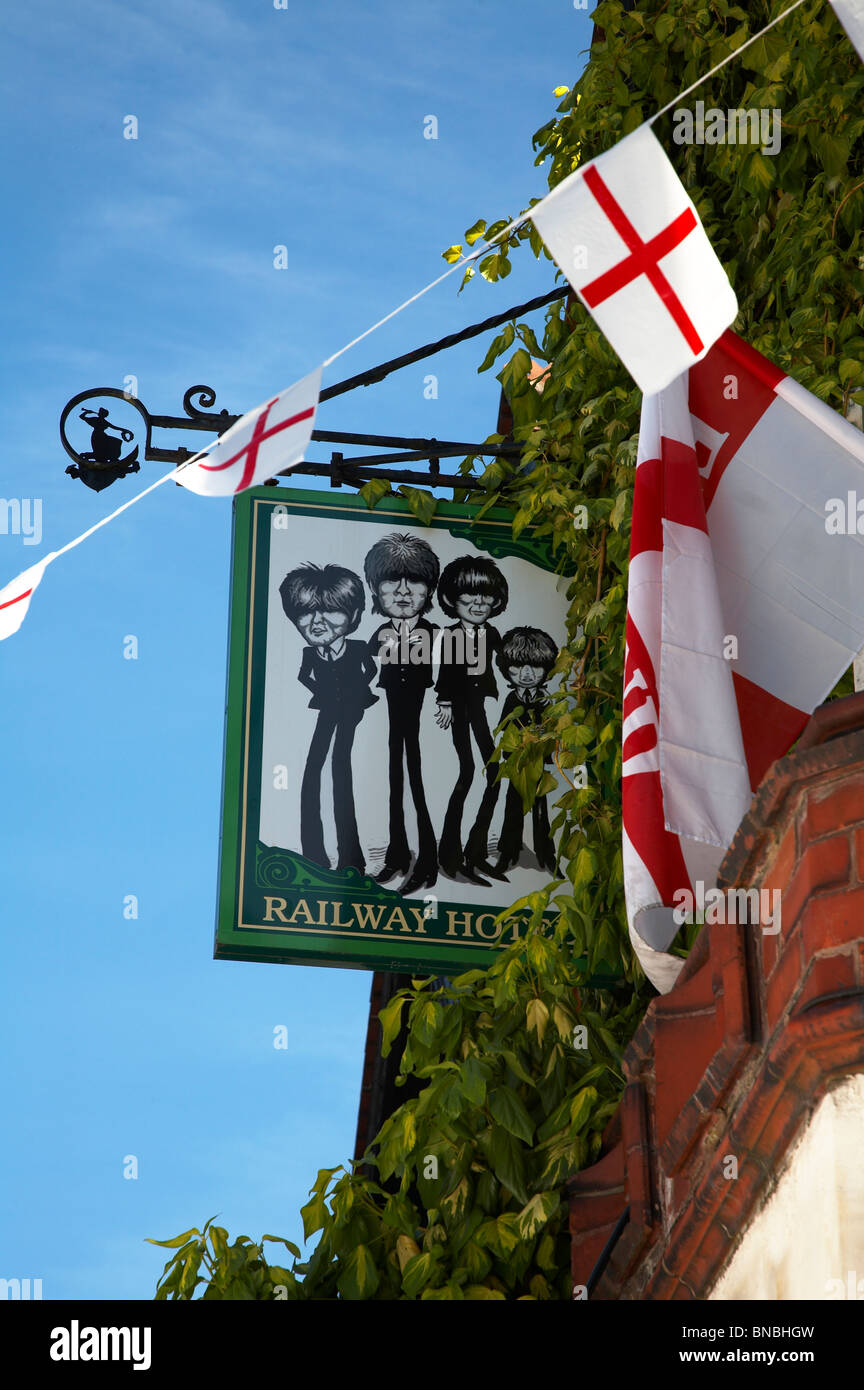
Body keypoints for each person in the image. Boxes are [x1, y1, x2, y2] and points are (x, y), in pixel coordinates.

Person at [279, 563, 377, 874]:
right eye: (306, 612)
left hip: (353, 709)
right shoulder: (311, 655)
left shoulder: (358, 648)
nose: (317, 620)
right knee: (313, 768)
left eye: (331, 611)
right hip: (326, 709)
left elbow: (371, 671)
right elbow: (302, 677)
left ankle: (351, 856)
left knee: (341, 766)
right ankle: (314, 856)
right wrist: (318, 690)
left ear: (354, 616)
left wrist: (360, 689)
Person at [364, 532, 440, 896]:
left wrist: (448, 702)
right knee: (396, 779)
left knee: (418, 781)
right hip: (395, 717)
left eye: (416, 582)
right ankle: (398, 852)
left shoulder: (436, 634)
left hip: (423, 721)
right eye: (392, 581)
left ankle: (428, 860)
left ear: (429, 590)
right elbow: (363, 665)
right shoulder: (381, 632)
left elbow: (451, 674)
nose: (404, 591)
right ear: (377, 591)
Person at [434, 555, 509, 883]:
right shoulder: (450, 635)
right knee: (467, 771)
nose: (479, 602)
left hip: (481, 706)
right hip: (460, 707)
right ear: (452, 599)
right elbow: (446, 673)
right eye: (470, 595)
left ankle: (475, 852)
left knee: (494, 771)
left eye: (487, 595)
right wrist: (445, 701)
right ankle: (450, 852)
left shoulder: (492, 633)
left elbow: (505, 659)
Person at [493, 626, 559, 876]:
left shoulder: (547, 700)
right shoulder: (512, 701)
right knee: (513, 807)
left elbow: (554, 732)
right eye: (518, 667)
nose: (527, 674)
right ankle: (507, 852)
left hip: (540, 764)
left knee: (540, 809)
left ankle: (545, 852)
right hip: (518, 764)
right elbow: (504, 729)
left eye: (535, 666)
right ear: (506, 669)